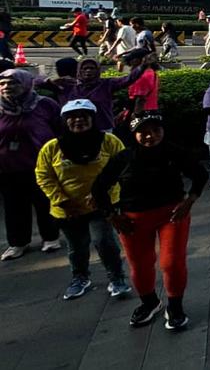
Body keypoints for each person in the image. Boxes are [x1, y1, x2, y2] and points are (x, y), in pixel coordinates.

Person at [92, 111, 207, 330]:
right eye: (143, 132)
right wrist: (112, 216)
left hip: (172, 215)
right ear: (134, 134)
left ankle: (175, 306)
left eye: (156, 130)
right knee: (140, 264)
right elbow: (98, 188)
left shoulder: (174, 152)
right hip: (133, 220)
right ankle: (149, 302)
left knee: (171, 262)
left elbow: (200, 174)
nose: (150, 136)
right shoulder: (124, 158)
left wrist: (189, 201)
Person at [35, 99, 130, 299]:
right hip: (69, 209)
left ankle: (116, 278)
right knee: (76, 247)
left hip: (102, 205)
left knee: (104, 241)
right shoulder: (52, 147)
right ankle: (80, 278)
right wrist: (62, 200)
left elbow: (123, 167)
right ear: (65, 121)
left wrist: (101, 194)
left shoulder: (109, 141)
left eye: (84, 116)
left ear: (93, 118)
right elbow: (43, 175)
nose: (78, 120)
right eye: (72, 117)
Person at [0, 69, 62, 260]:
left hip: (41, 165)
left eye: (13, 83)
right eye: (2, 83)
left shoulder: (45, 104)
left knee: (44, 202)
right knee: (14, 206)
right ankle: (18, 243)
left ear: (26, 84)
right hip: (8, 167)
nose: (7, 87)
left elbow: (61, 130)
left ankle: (51, 237)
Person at [124, 49, 159, 116]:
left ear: (137, 60)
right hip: (150, 111)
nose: (130, 63)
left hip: (142, 112)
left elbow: (141, 98)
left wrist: (135, 115)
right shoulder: (151, 72)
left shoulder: (142, 76)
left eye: (132, 59)